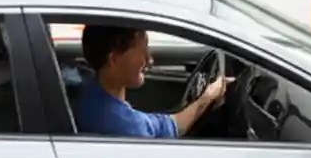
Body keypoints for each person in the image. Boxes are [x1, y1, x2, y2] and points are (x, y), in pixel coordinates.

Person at [74, 25, 228, 138]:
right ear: (114, 59)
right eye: (143, 51)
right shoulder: (128, 127)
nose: (150, 59)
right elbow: (172, 128)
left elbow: (163, 125)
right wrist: (208, 97)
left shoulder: (88, 92)